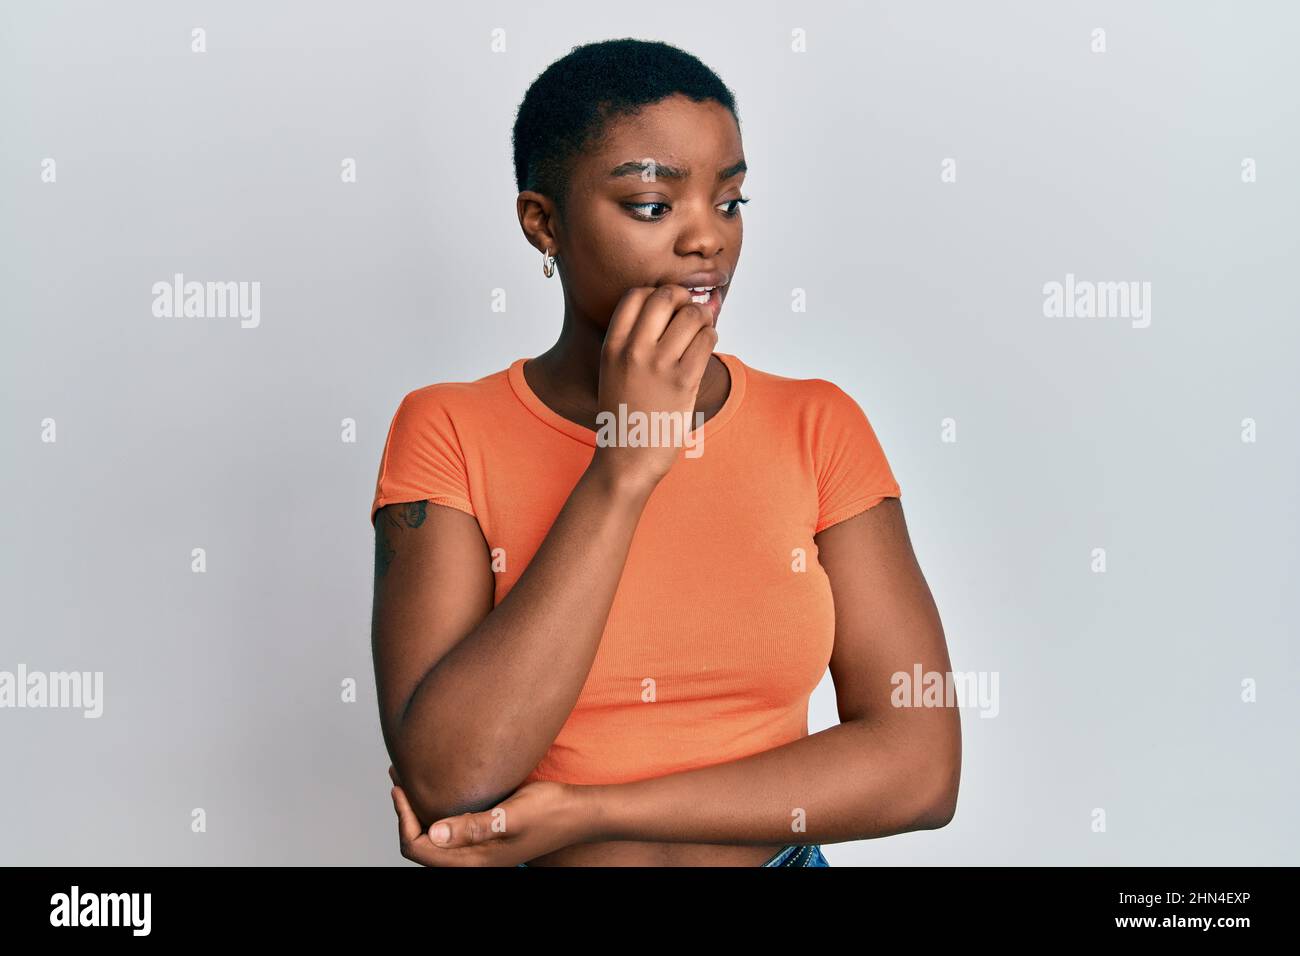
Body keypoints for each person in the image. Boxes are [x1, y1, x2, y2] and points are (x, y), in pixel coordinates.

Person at [372, 38, 959, 867]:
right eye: (653, 205)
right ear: (544, 223)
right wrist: (624, 469)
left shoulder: (818, 424)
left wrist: (593, 813)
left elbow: (920, 767)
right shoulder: (447, 429)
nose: (707, 241)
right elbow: (448, 779)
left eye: (730, 201)